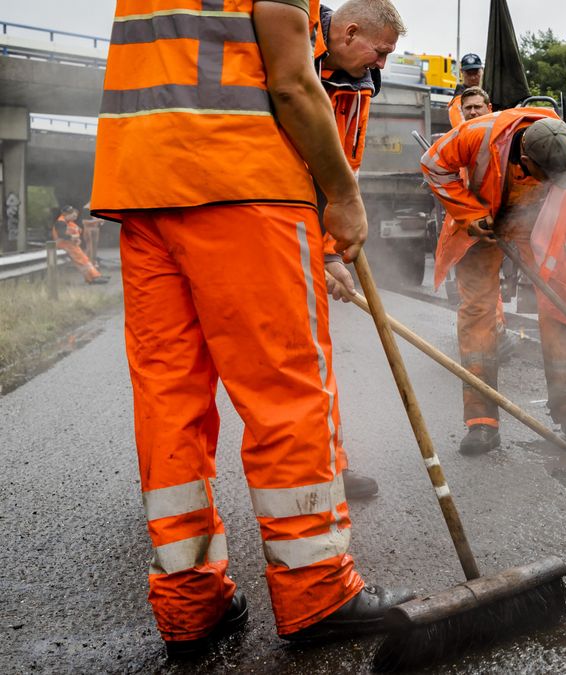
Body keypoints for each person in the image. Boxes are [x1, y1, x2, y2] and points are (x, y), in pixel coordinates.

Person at [90, 0, 413, 658]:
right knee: (287, 388)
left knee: (169, 400)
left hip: (143, 182)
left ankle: (190, 603)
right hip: (242, 179)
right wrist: (344, 195)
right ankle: (317, 591)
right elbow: (292, 82)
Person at [421, 111, 566, 455]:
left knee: (562, 308)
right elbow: (432, 163)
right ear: (524, 162)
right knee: (479, 314)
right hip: (482, 225)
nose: (557, 184)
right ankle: (482, 423)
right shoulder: (477, 136)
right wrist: (469, 212)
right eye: (549, 179)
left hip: (537, 230)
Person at [313, 0, 406, 501]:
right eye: (381, 51)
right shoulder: (291, 50)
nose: (383, 64)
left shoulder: (361, 82)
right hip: (263, 215)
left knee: (311, 358)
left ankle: (326, 466)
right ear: (348, 33)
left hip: (304, 223)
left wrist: (327, 250)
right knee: (295, 360)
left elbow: (341, 169)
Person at [51, 205, 107, 284]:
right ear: (65, 214)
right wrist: (72, 237)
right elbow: (61, 235)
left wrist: (76, 237)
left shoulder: (68, 222)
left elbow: (77, 230)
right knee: (82, 259)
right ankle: (93, 277)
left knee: (84, 259)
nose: (74, 217)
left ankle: (93, 277)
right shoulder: (61, 222)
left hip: (69, 244)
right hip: (64, 244)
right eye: (72, 214)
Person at [447, 52, 484, 127]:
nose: (473, 77)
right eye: (469, 73)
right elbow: (461, 130)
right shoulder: (457, 102)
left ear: (481, 71)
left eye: (475, 72)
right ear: (462, 72)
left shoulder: (485, 95)